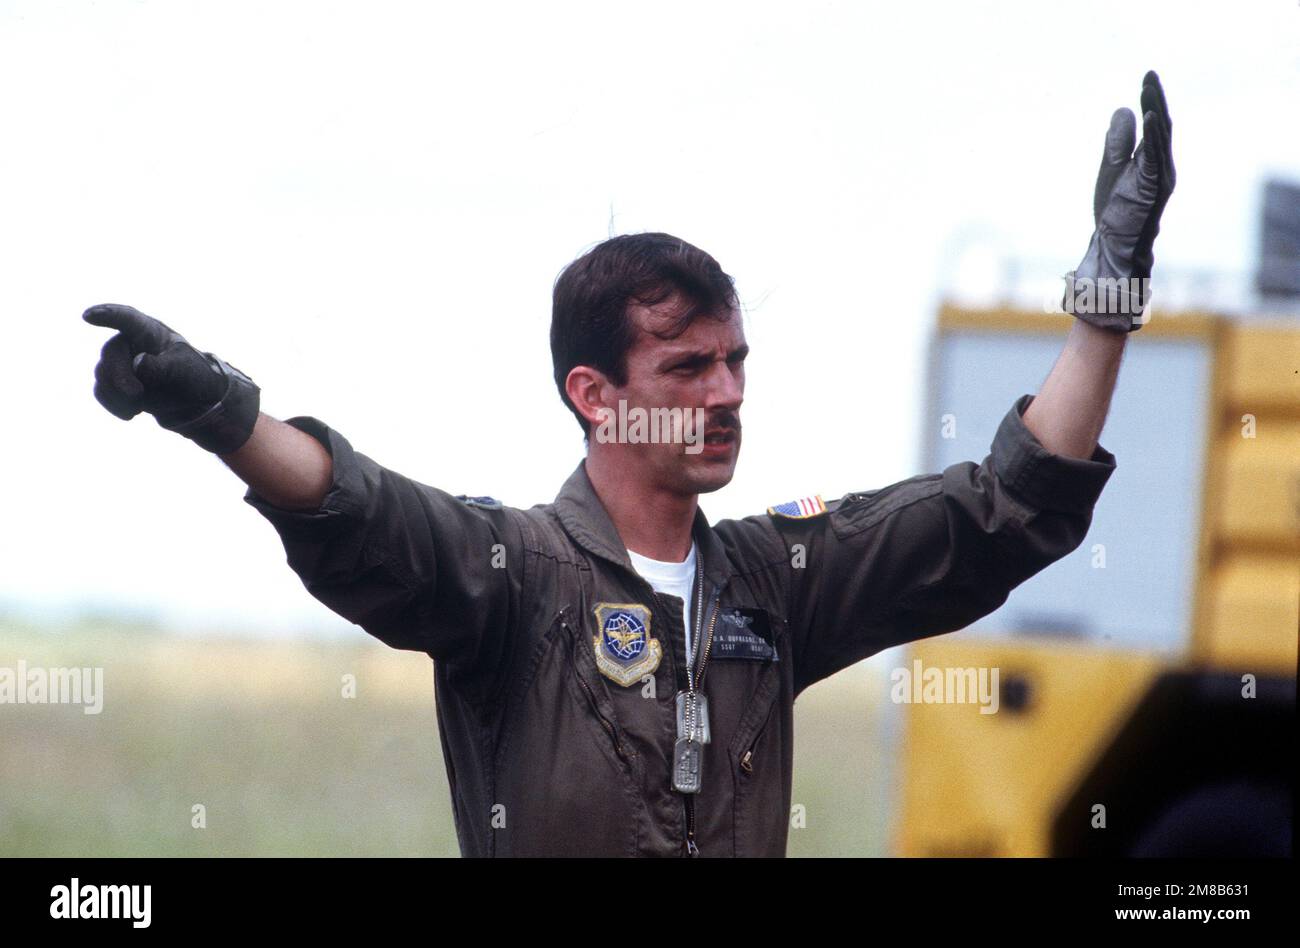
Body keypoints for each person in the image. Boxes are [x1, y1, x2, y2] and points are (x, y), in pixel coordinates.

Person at [83, 72, 1174, 857]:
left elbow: (1001, 511)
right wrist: (220, 412)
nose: (727, 393)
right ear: (595, 397)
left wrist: (1106, 309)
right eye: (687, 367)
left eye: (736, 362)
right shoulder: (512, 573)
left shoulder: (775, 584)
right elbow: (362, 513)